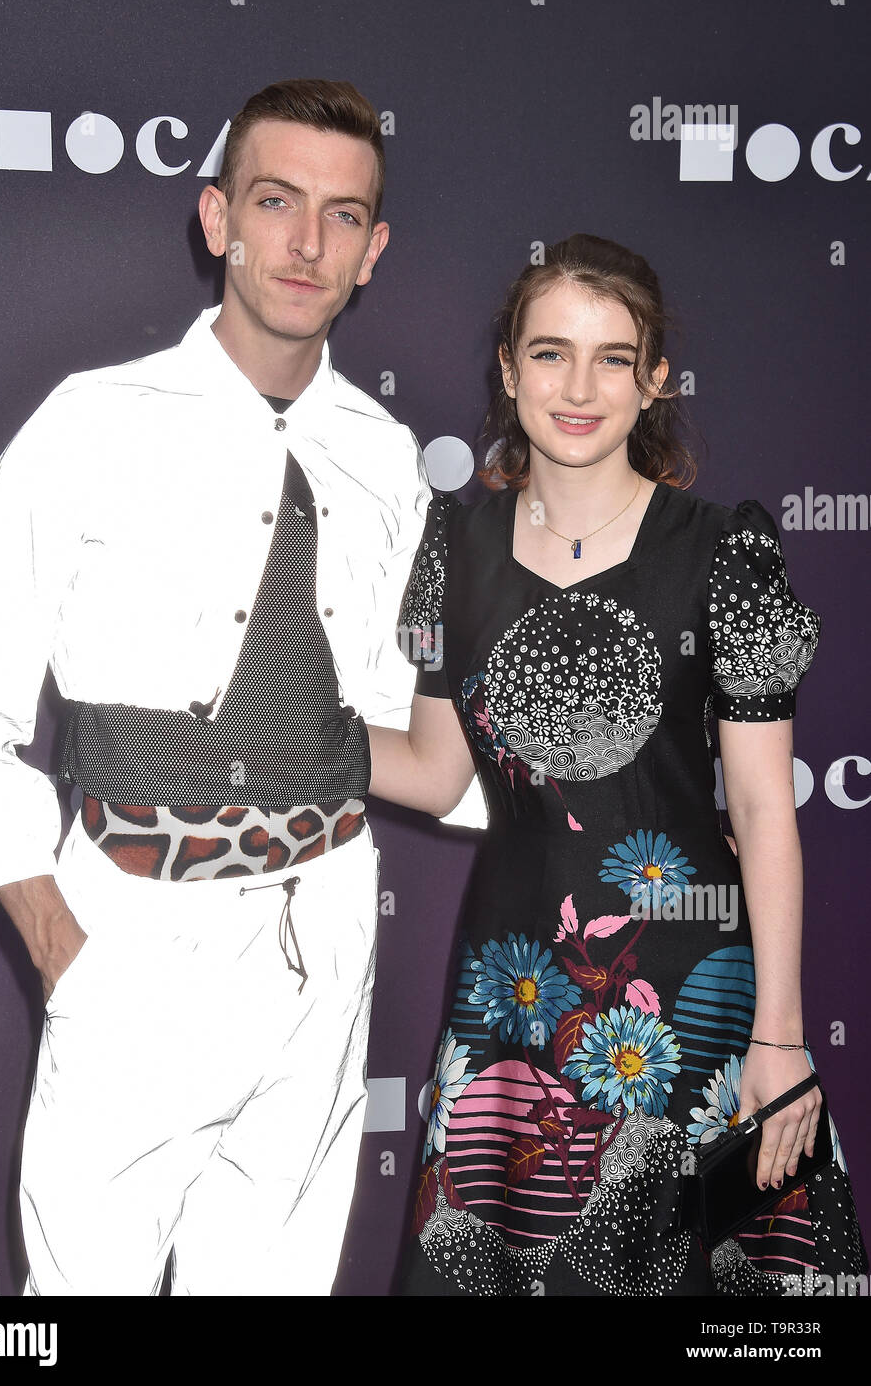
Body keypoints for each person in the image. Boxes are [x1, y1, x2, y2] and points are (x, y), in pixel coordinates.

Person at [0, 78, 430, 1296]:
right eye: (275, 200)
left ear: (373, 250)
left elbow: (403, 717)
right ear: (216, 220)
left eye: (342, 215)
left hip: (322, 928)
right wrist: (57, 935)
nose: (307, 243)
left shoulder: (382, 455)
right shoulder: (92, 424)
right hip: (131, 930)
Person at [368, 234, 868, 1296]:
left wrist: (776, 1040)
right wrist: (268, 732)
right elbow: (430, 770)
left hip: (693, 996)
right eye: (549, 354)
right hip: (510, 998)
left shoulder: (721, 548)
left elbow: (757, 806)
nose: (577, 386)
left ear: (652, 380)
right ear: (507, 371)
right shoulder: (452, 548)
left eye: (611, 357)